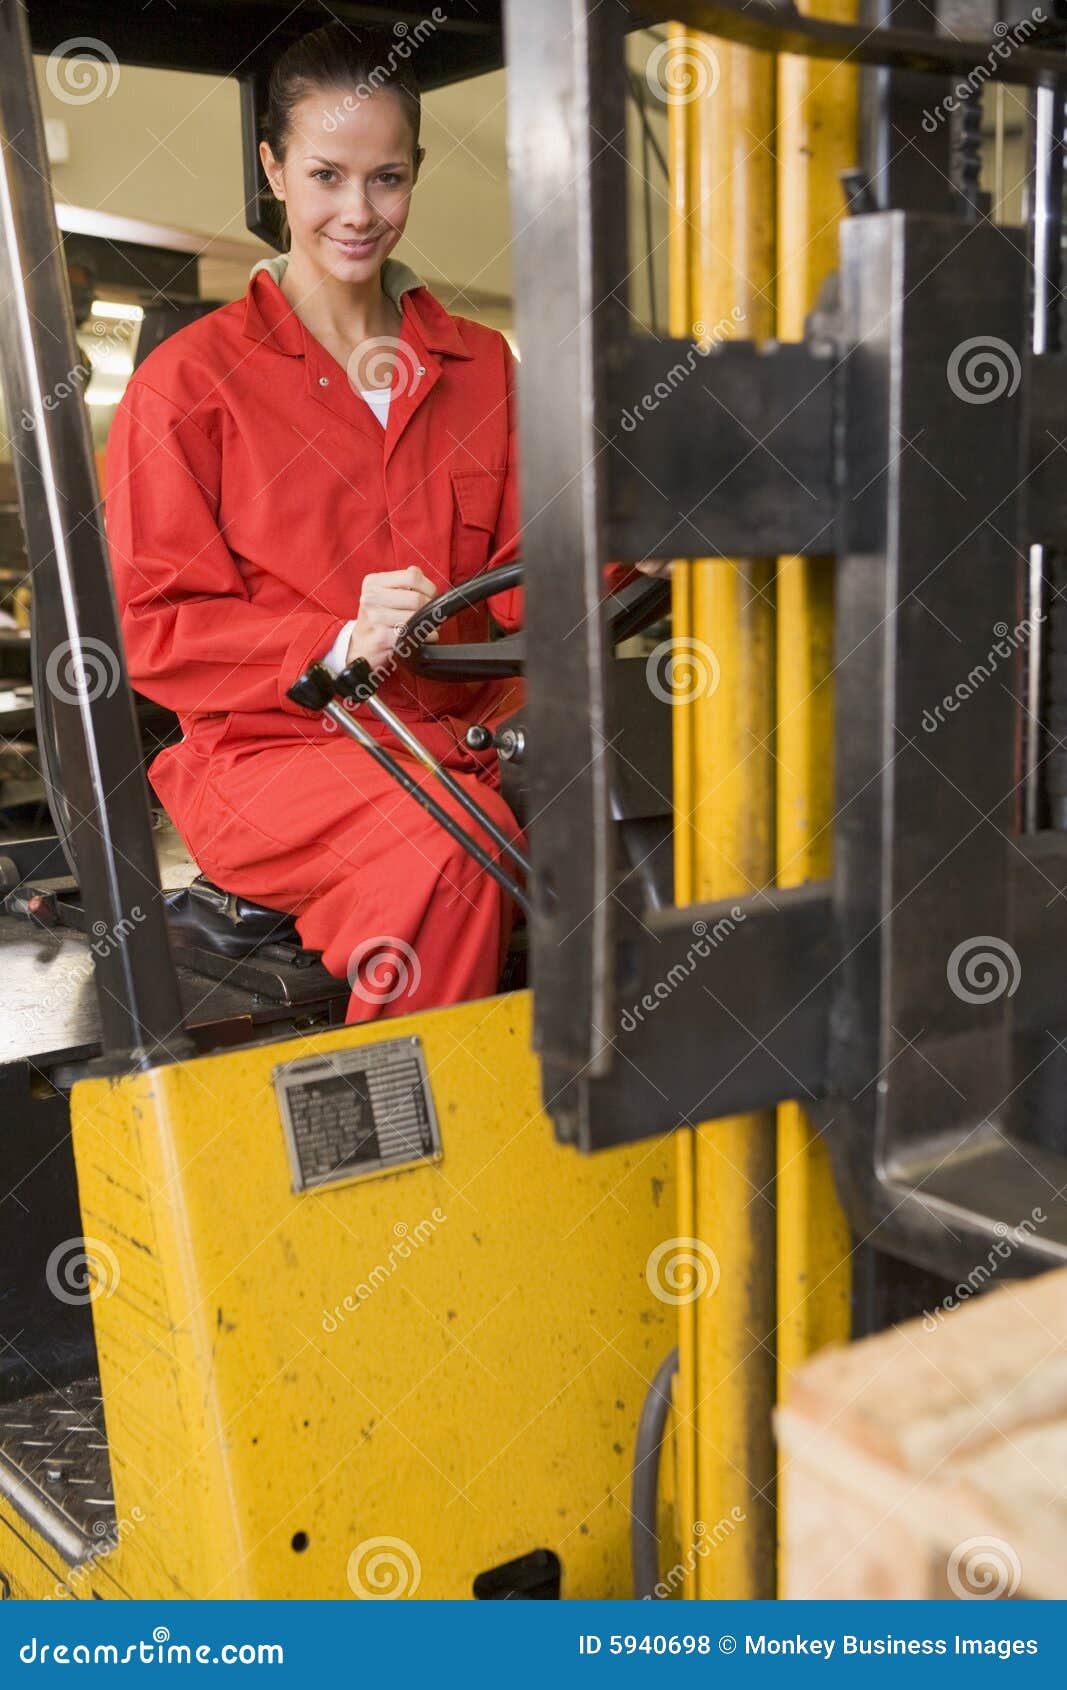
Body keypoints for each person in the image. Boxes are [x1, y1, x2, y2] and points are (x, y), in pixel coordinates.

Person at [105, 21, 646, 1024]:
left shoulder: (479, 363)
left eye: (386, 179)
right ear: (273, 171)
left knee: (700, 797)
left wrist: (643, 537)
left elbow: (532, 578)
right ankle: (416, 1164)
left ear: (415, 174)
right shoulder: (188, 386)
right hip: (274, 755)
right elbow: (156, 630)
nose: (357, 212)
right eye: (325, 176)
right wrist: (337, 639)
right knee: (447, 850)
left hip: (470, 732)